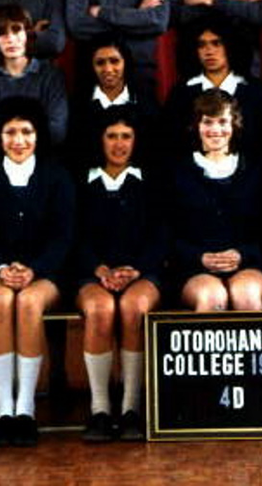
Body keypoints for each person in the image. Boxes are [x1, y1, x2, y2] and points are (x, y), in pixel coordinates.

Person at [0, 96, 75, 447]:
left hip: (45, 274)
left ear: (38, 135)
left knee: (28, 303)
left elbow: (64, 235)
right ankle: (4, 410)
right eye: (10, 131)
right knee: (1, 303)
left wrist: (35, 269)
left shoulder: (57, 177)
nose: (18, 140)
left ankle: (25, 409)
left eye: (26, 131)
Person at [73, 108, 165, 442]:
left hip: (142, 270)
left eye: (126, 136)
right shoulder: (82, 179)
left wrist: (136, 269)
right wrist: (97, 268)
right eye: (111, 136)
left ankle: (131, 408)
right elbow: (72, 234)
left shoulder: (151, 179)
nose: (119, 144)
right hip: (92, 272)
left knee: (133, 309)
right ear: (100, 139)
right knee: (100, 311)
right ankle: (100, 409)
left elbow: (161, 233)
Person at [169, 90, 262, 312]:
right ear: (197, 126)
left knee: (247, 296)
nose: (215, 130)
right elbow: (167, 232)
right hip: (193, 268)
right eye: (208, 122)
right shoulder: (178, 172)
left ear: (234, 125)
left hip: (246, 263)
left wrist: (243, 254)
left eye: (223, 121)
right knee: (212, 298)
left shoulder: (254, 171)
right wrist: (198, 257)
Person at [162, 20, 262, 162]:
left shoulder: (255, 91)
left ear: (231, 46)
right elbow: (170, 144)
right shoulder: (181, 93)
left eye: (217, 43)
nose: (209, 51)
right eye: (202, 45)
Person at [0, 4, 68, 148]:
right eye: (2, 33)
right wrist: (35, 124)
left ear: (27, 33)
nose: (10, 39)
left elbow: (56, 132)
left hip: (41, 162)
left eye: (16, 30)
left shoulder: (51, 76)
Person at [67, 37, 161, 174]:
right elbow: (74, 152)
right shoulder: (79, 103)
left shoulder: (144, 99)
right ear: (91, 67)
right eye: (100, 63)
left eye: (114, 61)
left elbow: (155, 147)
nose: (108, 69)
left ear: (126, 63)